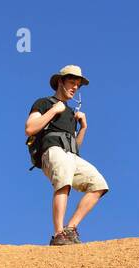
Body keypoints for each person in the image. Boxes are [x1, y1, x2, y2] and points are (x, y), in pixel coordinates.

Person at [25, 65, 110, 245]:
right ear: (60, 82)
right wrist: (54, 110)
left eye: (77, 85)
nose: (75, 88)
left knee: (99, 184)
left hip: (69, 155)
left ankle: (70, 229)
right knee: (64, 181)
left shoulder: (72, 113)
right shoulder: (44, 103)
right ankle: (58, 234)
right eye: (72, 83)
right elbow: (30, 128)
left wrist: (84, 128)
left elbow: (75, 148)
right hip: (52, 151)